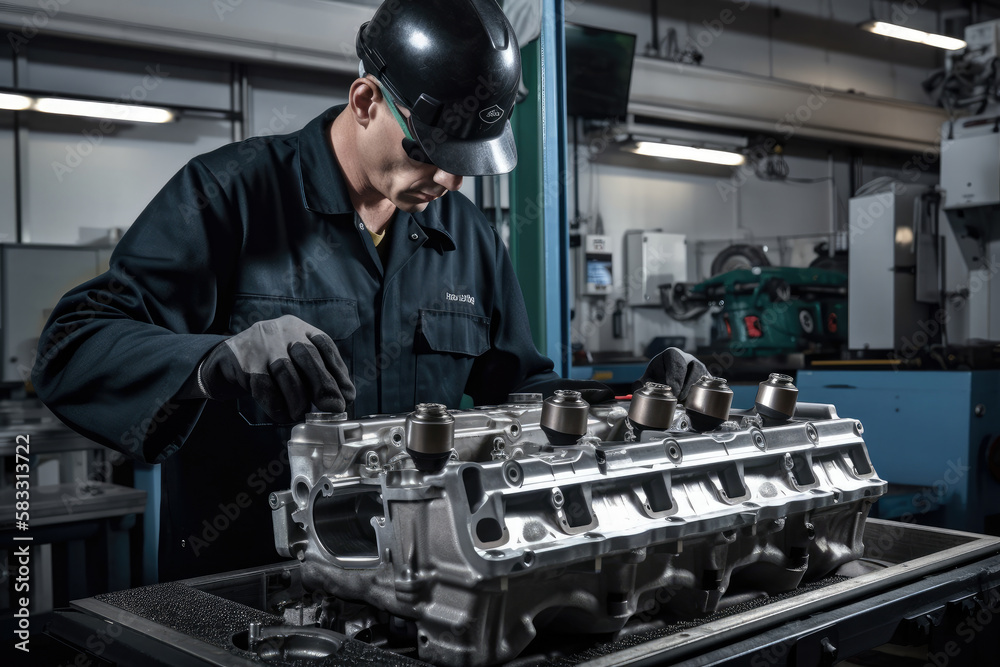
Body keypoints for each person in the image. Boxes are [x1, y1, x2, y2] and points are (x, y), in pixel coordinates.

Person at [32, 0, 705, 582]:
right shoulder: (227, 196)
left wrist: (632, 403)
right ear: (365, 102)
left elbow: (518, 392)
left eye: (465, 164)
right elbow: (70, 349)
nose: (446, 182)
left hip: (423, 586)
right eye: (428, 153)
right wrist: (214, 362)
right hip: (245, 591)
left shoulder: (468, 239)